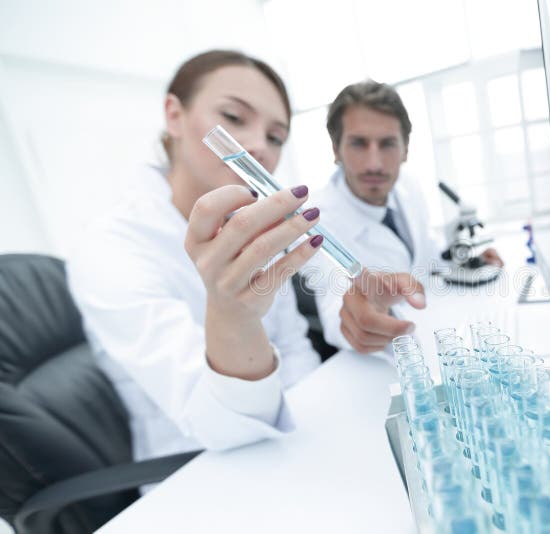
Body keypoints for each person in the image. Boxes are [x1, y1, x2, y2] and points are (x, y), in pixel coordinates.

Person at [66, 51, 424, 463]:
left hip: (288, 446)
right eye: (234, 118)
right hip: (197, 472)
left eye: (275, 137)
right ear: (175, 115)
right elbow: (216, 421)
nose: (257, 146)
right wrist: (232, 314)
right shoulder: (111, 249)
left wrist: (323, 432)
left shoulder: (253, 229)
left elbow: (293, 348)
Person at [306, 80, 503, 355]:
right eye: (358, 144)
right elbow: (334, 305)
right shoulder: (316, 218)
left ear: (406, 149)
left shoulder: (408, 188)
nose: (374, 163)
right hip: (380, 360)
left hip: (430, 330)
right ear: (336, 150)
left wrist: (466, 260)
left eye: (387, 144)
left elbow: (423, 252)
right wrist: (356, 319)